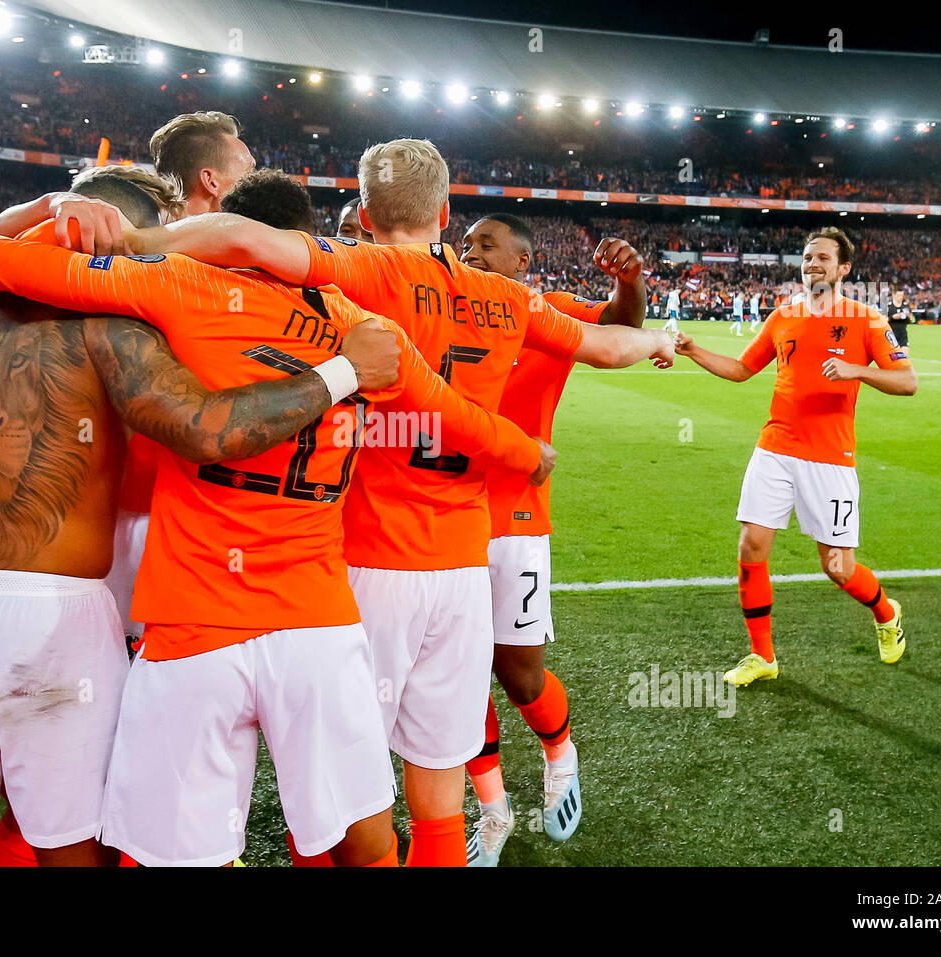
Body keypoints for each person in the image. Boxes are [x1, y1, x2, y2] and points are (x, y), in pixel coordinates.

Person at [96, 137, 674, 865]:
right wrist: (661, 338)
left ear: (364, 213)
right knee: (438, 788)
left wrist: (133, 236)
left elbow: (241, 236)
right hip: (463, 564)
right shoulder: (507, 296)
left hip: (366, 564)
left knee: (332, 802)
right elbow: (603, 344)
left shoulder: (366, 270)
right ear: (444, 210)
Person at [0, 188, 556, 868]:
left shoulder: (181, 284)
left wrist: (53, 207)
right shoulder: (369, 328)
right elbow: (455, 415)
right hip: (317, 620)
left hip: (195, 622)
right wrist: (530, 453)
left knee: (179, 854)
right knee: (368, 843)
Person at [0, 176, 403, 868]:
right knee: (73, 848)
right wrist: (341, 372)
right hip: (51, 621)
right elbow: (206, 431)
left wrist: (35, 209)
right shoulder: (115, 322)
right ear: (120, 242)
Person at [458, 212, 645, 864]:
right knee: (455, 676)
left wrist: (630, 281)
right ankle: (491, 808)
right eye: (465, 242)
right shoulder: (441, 305)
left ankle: (559, 753)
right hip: (443, 518)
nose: (471, 251)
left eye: (487, 243)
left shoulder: (548, 311)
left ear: (522, 262)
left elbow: (621, 330)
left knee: (521, 673)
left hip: (517, 519)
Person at [673, 227, 918, 688]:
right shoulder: (782, 316)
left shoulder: (866, 319)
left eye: (823, 258)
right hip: (775, 448)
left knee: (838, 568)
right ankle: (762, 655)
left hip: (830, 457)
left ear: (844, 268)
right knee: (751, 546)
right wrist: (693, 351)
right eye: (807, 259)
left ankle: (887, 612)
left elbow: (908, 381)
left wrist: (855, 370)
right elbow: (743, 370)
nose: (812, 266)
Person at [149, 111, 255, 216]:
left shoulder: (145, 228)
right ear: (211, 181)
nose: (256, 180)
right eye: (249, 173)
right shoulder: (256, 231)